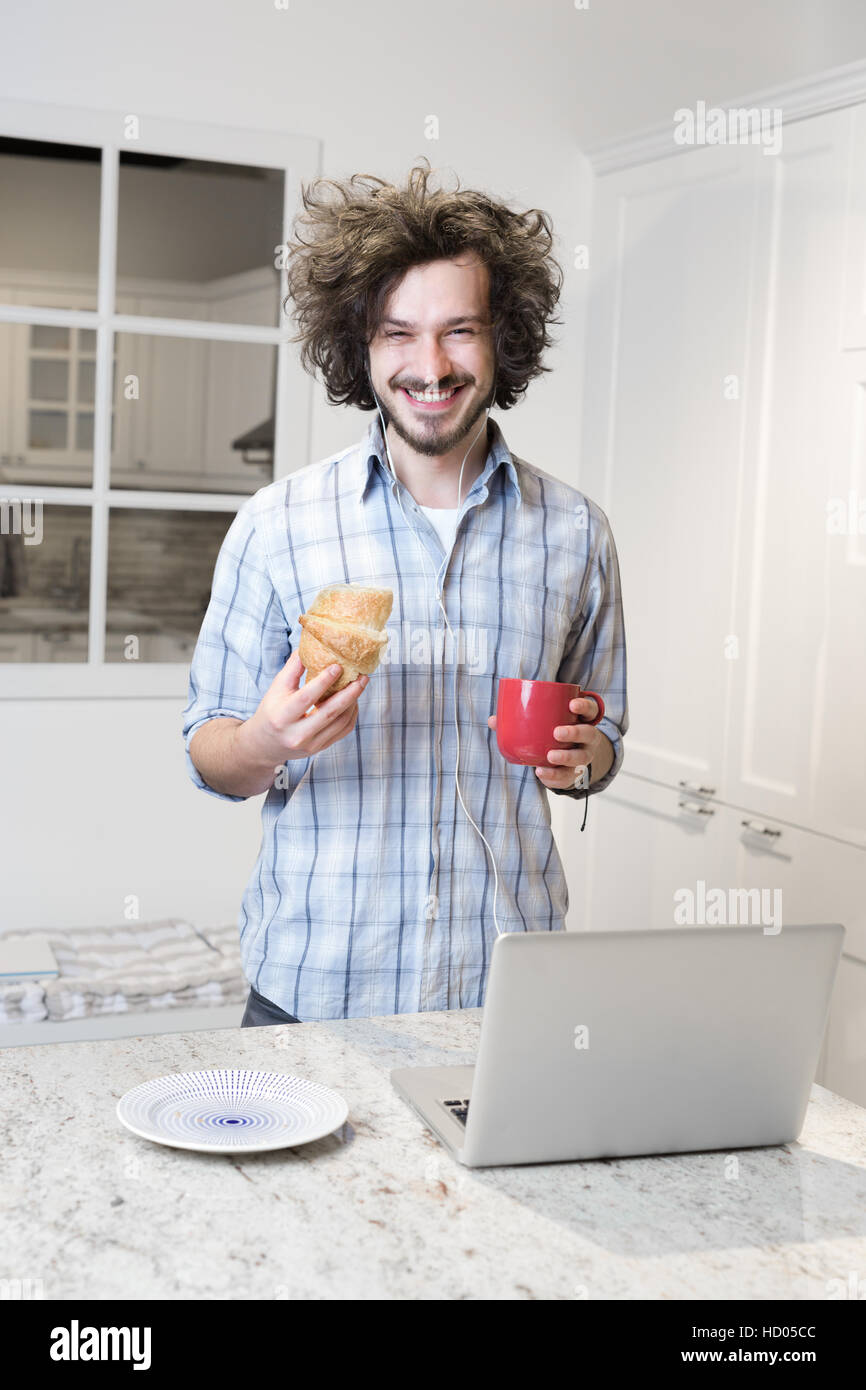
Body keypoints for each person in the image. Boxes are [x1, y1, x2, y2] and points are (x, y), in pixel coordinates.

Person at [182, 160, 628, 1028]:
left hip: (508, 994)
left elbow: (602, 740)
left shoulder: (576, 532)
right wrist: (267, 739)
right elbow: (209, 753)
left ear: (506, 339)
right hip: (315, 989)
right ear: (360, 346)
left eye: (460, 330)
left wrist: (583, 761)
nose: (432, 365)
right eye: (398, 334)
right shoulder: (279, 524)